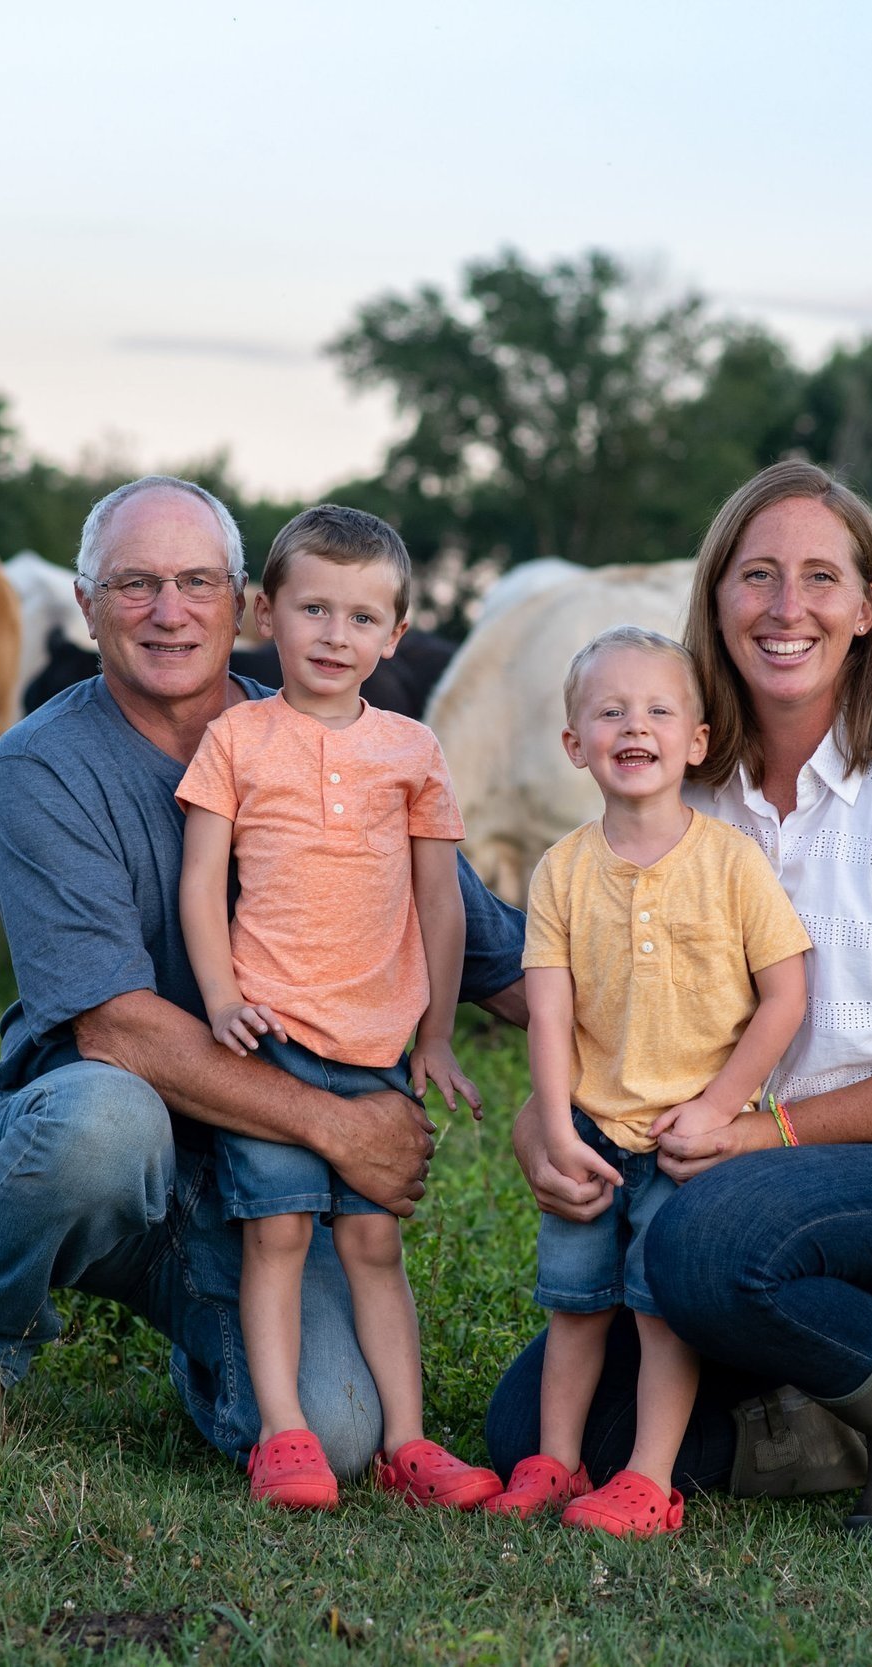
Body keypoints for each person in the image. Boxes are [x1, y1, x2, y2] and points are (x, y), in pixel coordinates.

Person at [486, 460, 872, 1547]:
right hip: (741, 1183)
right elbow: (612, 1002)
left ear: (868, 606)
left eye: (819, 576)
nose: (785, 605)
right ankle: (828, 1417)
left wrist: (772, 1133)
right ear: (716, 598)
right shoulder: (678, 784)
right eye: (755, 575)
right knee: (528, 1419)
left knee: (702, 1243)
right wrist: (546, 1120)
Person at [0, 477, 527, 1475]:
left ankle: (208, 1315)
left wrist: (689, 996)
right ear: (86, 604)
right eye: (135, 583)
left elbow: (501, 956)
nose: (168, 609)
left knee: (339, 1431)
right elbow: (118, 1030)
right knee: (100, 1123)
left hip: (249, 1166)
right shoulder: (44, 764)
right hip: (112, 1131)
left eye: (195, 581)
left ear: (242, 603)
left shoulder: (350, 749)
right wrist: (339, 1123)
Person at [176, 505, 495, 1512]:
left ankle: (406, 1439)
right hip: (267, 1040)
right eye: (313, 608)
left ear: (396, 634)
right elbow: (201, 879)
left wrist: (436, 1029)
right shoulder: (239, 735)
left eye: (362, 617)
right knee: (274, 1234)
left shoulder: (412, 751)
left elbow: (441, 900)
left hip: (374, 1045)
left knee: (372, 1244)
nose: (333, 634)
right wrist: (222, 994)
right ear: (267, 613)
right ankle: (283, 1433)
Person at [485, 627, 808, 1539]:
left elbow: (785, 994)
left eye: (661, 709)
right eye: (610, 711)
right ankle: (554, 1461)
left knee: (663, 1314)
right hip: (591, 1130)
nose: (637, 726)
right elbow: (549, 1014)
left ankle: (646, 1478)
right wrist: (552, 1126)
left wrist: (717, 1104)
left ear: (697, 739)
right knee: (575, 1306)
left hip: (690, 1141)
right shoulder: (562, 870)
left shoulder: (731, 861)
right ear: (573, 743)